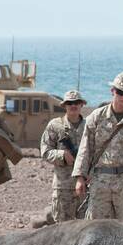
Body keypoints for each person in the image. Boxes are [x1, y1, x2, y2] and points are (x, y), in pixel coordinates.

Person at [70, 72, 123, 223]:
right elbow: (85, 148)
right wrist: (80, 177)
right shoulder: (96, 117)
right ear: (112, 91)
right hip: (100, 180)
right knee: (96, 226)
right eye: (120, 92)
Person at [39, 89, 87, 223]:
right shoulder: (55, 125)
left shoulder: (89, 126)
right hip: (63, 187)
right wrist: (61, 155)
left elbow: (97, 154)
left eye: (77, 102)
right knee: (62, 229)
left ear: (82, 105)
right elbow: (45, 151)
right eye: (70, 103)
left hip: (85, 186)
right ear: (65, 105)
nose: (73, 105)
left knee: (84, 228)